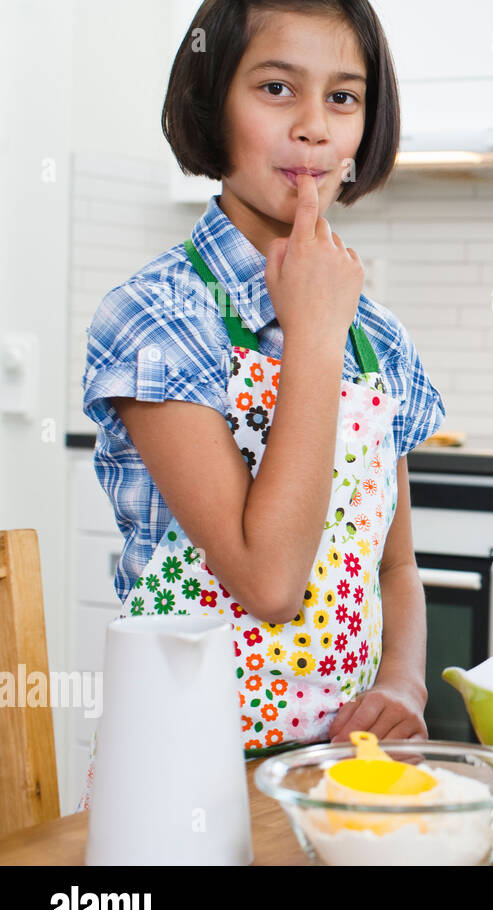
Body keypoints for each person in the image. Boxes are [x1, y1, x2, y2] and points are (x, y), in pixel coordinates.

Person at [80, 0, 441, 790]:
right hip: (185, 776)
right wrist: (311, 334)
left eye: (343, 97)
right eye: (278, 89)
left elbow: (398, 566)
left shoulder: (377, 336)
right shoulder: (158, 318)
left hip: (339, 776)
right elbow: (270, 582)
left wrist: (402, 686)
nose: (314, 127)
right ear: (213, 104)